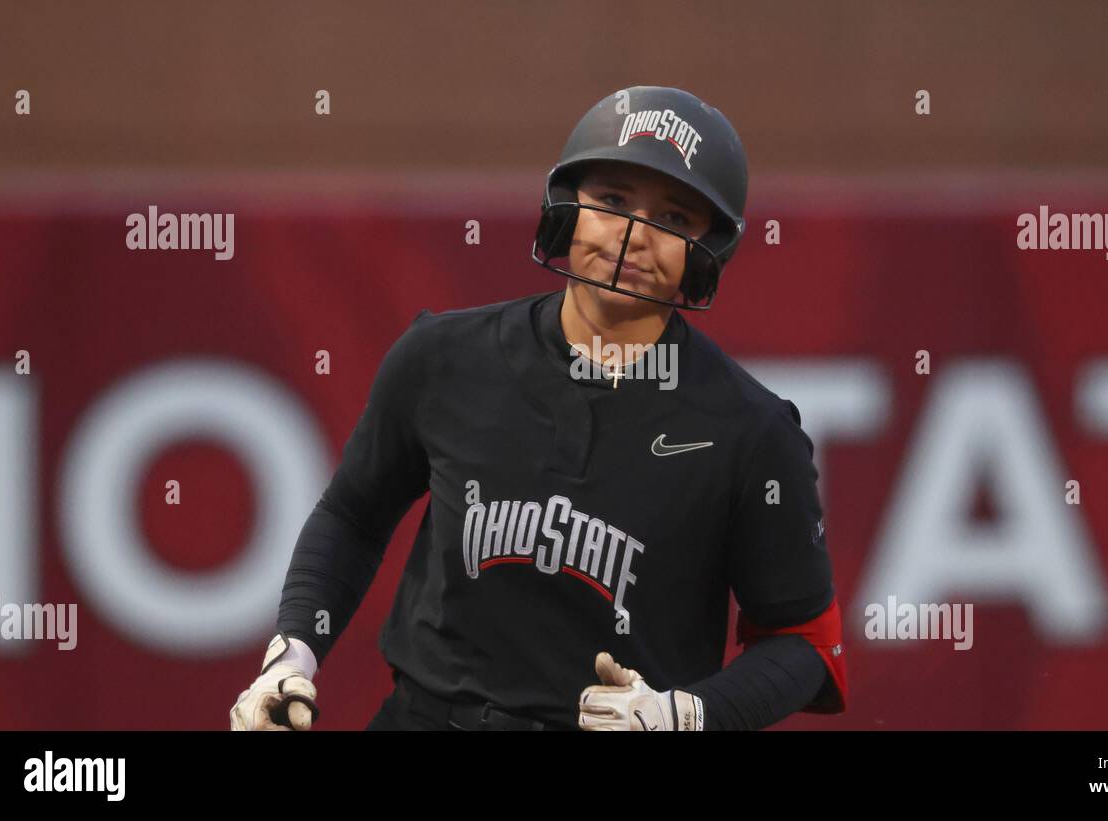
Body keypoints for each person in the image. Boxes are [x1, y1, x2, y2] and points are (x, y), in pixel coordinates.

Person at [230, 85, 848, 732]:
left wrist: (687, 714)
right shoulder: (442, 357)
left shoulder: (750, 431)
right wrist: (291, 650)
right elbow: (353, 515)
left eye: (673, 218)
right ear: (567, 207)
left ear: (707, 249)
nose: (634, 235)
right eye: (611, 201)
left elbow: (806, 643)